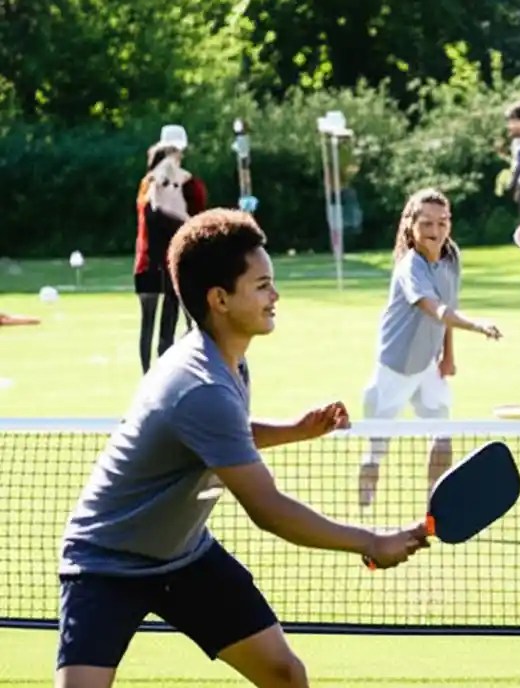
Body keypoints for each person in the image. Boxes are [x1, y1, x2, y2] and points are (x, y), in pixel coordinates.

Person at [57, 209, 426, 688]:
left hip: (183, 555)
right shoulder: (200, 385)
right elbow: (268, 510)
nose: (276, 296)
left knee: (283, 674)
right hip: (106, 561)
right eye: (263, 285)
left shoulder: (225, 361)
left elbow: (221, 437)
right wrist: (371, 541)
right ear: (220, 299)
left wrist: (294, 430)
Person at [357, 189, 503, 508]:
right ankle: (363, 514)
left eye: (442, 222)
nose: (435, 231)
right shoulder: (411, 266)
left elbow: (449, 307)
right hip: (394, 368)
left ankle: (435, 509)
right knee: (375, 451)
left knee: (442, 433)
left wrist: (448, 355)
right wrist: (477, 326)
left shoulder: (452, 258)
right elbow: (435, 309)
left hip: (428, 366)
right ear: (411, 226)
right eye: (426, 224)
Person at [133, 127, 208, 374]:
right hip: (164, 263)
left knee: (151, 325)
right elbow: (170, 211)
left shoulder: (148, 184)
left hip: (147, 262)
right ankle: (159, 377)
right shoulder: (168, 183)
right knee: (166, 326)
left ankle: (149, 376)